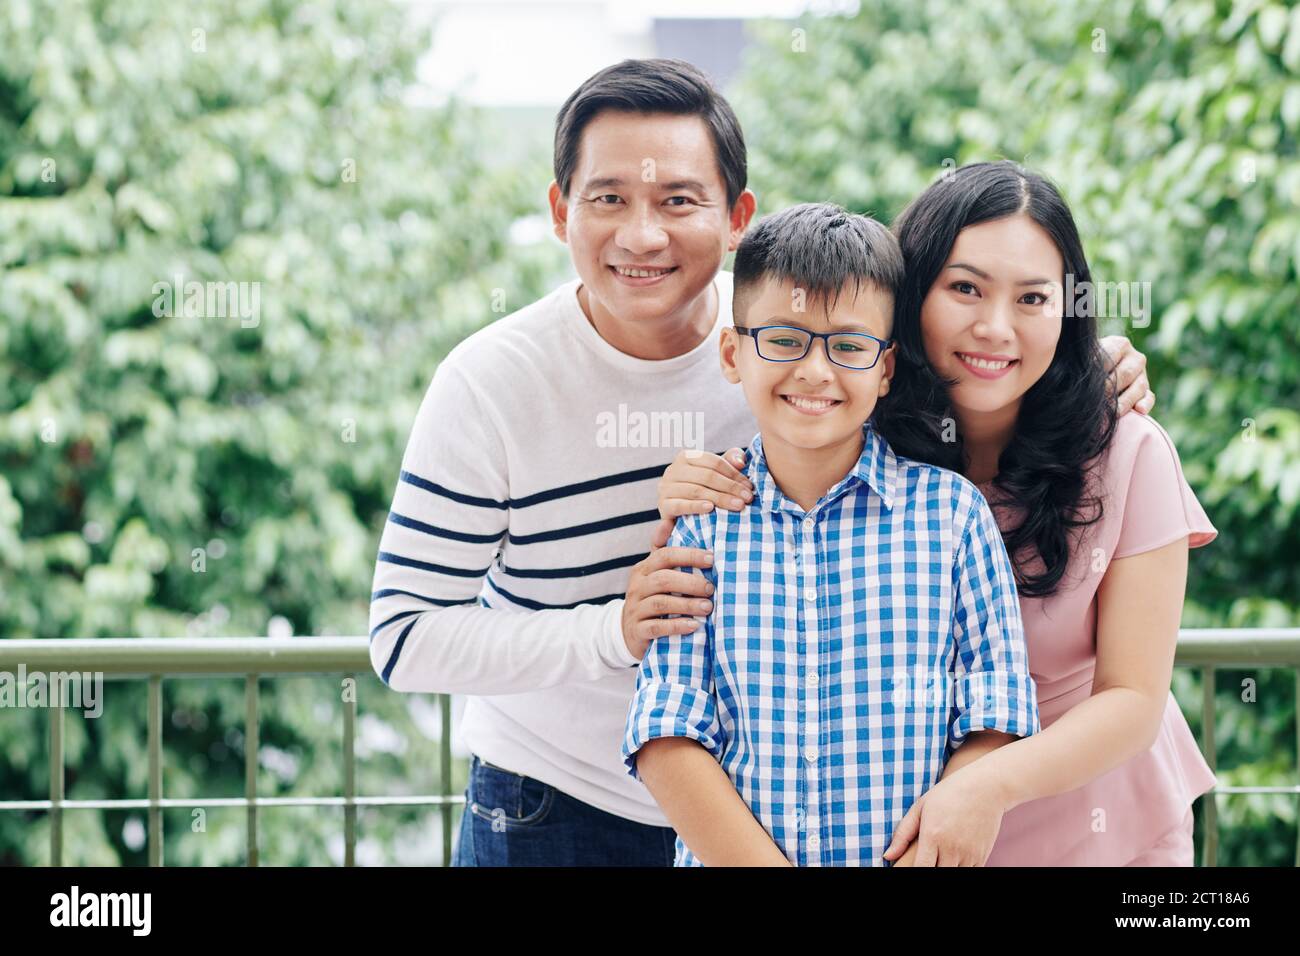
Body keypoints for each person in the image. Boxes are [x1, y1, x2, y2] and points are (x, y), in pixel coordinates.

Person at [370, 56, 1153, 867]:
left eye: (679, 200)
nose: (643, 235)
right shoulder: (490, 383)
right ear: (561, 210)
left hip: (808, 822)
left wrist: (1086, 366)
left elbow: (935, 347)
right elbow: (402, 638)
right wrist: (614, 630)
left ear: (737, 215)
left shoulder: (792, 321)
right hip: (552, 804)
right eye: (608, 198)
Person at [654, 162, 1214, 866]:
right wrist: (684, 493)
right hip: (913, 835)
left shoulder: (1126, 450)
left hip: (1096, 820)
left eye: (1033, 298)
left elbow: (1133, 698)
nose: (995, 328)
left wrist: (985, 788)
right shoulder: (853, 422)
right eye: (965, 288)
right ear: (912, 295)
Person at [622, 202, 1040, 866]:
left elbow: (996, 711)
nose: (816, 371)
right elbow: (666, 734)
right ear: (733, 353)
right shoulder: (702, 521)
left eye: (848, 346)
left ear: (886, 369)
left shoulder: (953, 517)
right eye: (785, 339)